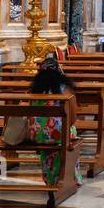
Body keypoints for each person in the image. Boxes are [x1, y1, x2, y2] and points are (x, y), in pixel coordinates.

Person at [26, 53, 85, 188]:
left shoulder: (34, 90)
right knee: (71, 132)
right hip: (58, 134)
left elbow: (31, 114)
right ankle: (71, 176)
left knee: (48, 136)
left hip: (37, 135)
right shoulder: (65, 90)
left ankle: (50, 177)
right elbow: (73, 118)